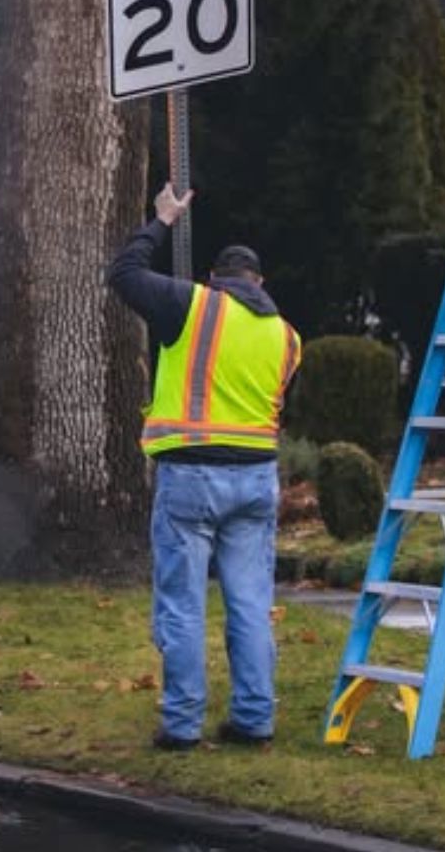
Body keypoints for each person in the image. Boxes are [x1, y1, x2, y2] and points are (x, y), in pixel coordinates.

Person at [106, 183, 301, 751]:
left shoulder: (191, 304)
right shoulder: (287, 338)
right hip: (256, 482)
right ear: (259, 285)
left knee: (182, 604)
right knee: (249, 603)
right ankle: (254, 720)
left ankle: (183, 724)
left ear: (217, 278)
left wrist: (161, 219)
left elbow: (124, 272)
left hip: (190, 480)